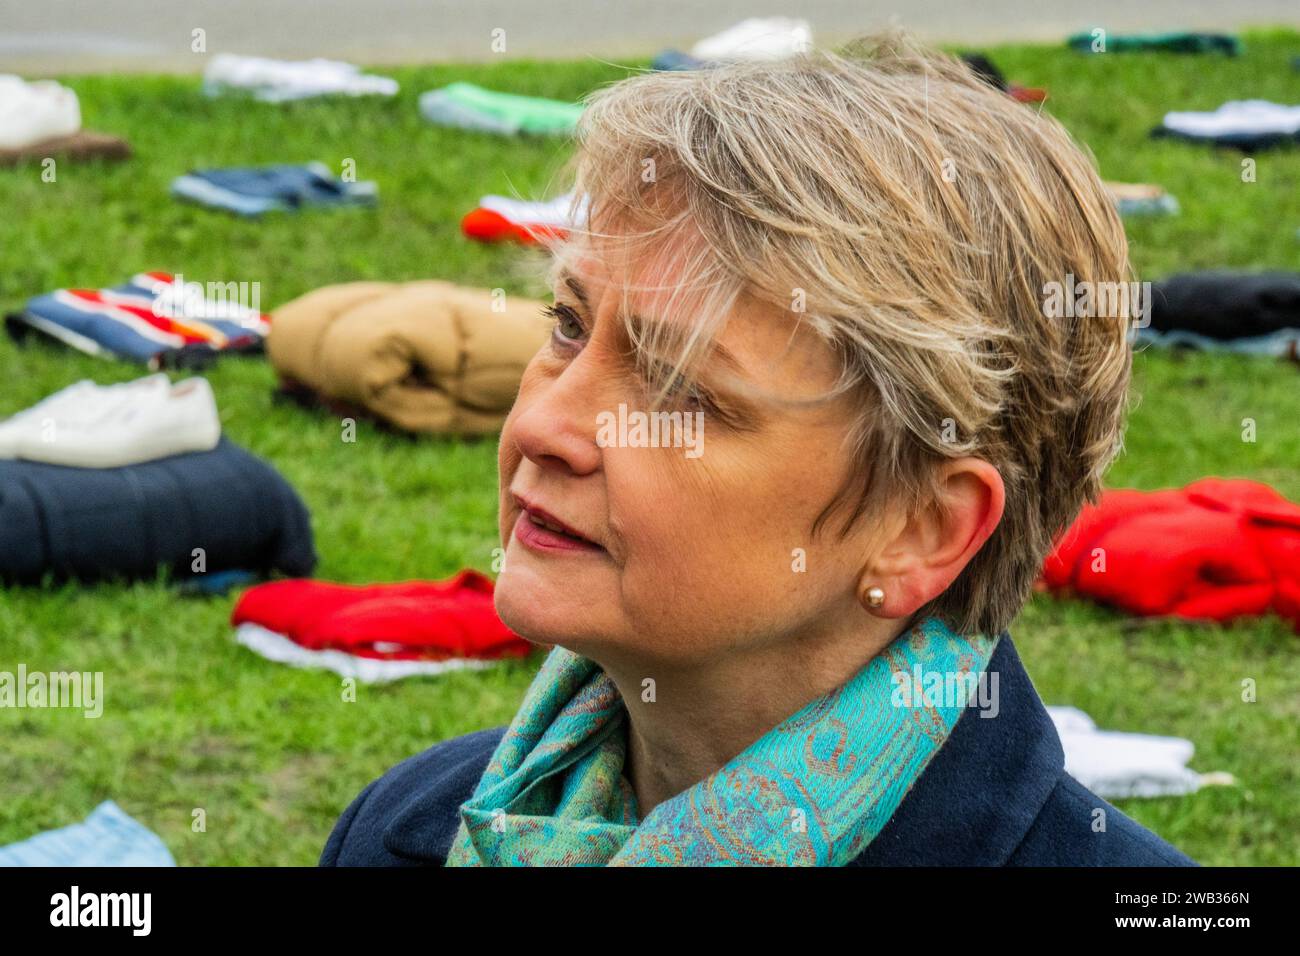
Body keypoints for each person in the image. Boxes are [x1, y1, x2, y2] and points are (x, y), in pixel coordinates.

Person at [322, 34, 1195, 867]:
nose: (547, 428)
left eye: (681, 390)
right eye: (568, 325)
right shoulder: (415, 826)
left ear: (920, 529)